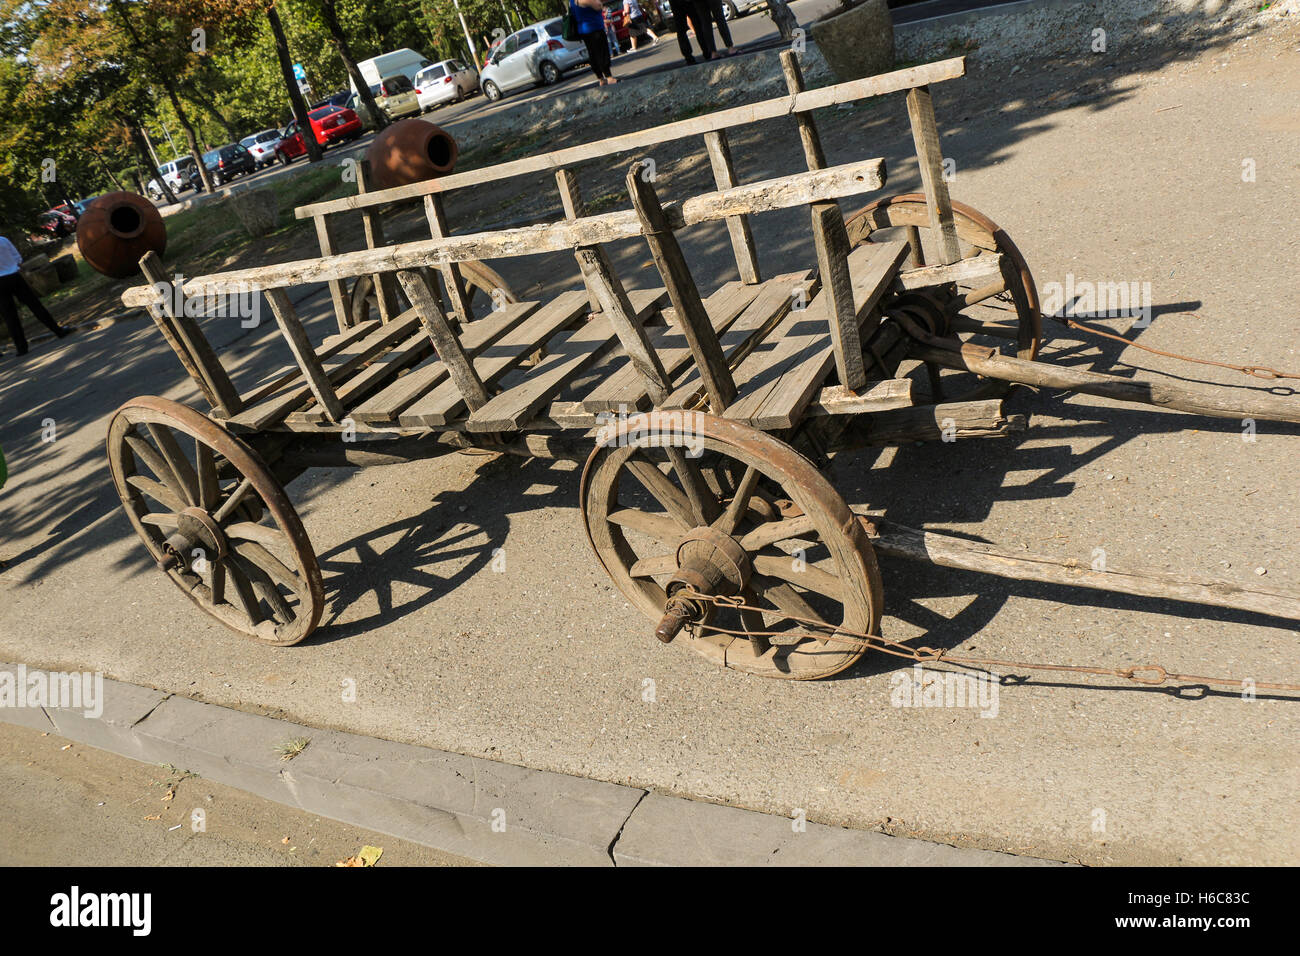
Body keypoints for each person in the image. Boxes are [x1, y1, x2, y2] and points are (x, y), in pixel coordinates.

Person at [0, 234, 68, 357]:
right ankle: (58, 330)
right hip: (14, 277)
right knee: (35, 305)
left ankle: (21, 347)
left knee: (9, 316)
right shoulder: (3, 240)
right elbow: (17, 258)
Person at [572, 0, 618, 86]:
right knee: (602, 53)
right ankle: (609, 77)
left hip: (584, 31)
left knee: (593, 54)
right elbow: (598, 5)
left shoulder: (571, 1)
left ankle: (601, 79)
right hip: (594, 28)